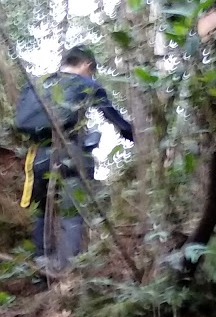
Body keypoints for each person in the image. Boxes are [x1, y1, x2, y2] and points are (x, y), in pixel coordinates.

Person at [15, 47, 133, 271]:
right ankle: (65, 273)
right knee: (72, 214)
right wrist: (136, 134)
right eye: (92, 72)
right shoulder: (86, 84)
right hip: (68, 155)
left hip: (37, 158)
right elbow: (116, 121)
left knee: (42, 210)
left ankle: (41, 265)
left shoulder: (37, 83)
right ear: (87, 65)